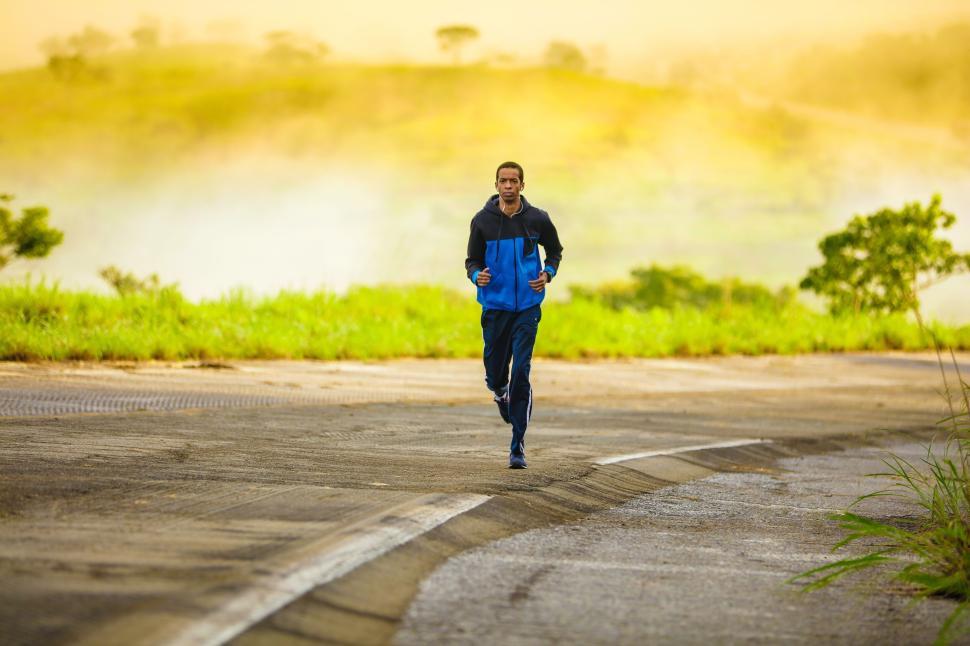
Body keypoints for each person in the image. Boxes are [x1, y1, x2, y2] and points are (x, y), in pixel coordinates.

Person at [465, 161, 563, 469]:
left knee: (522, 369)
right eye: (503, 181)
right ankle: (500, 391)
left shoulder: (537, 219)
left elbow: (556, 252)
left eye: (514, 181)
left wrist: (547, 274)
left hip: (527, 308)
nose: (508, 186)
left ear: (522, 185)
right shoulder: (482, 222)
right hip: (495, 307)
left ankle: (517, 444)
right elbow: (471, 260)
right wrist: (476, 275)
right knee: (497, 372)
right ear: (496, 185)